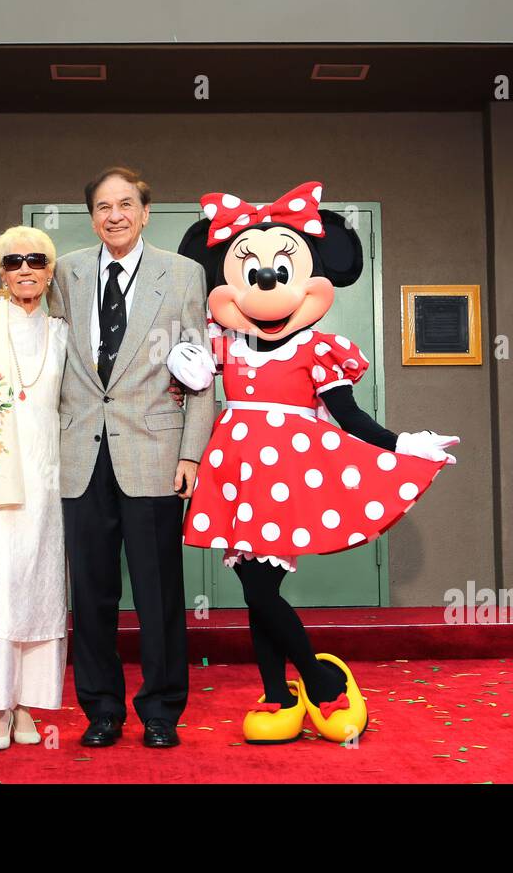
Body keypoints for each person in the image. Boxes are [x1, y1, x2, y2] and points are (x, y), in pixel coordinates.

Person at [168, 181, 458, 744]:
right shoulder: (220, 344)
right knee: (257, 591)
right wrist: (184, 379)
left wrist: (403, 445)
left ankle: (320, 682)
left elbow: (350, 417)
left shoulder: (318, 348)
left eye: (282, 267)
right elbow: (193, 398)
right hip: (238, 475)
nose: (266, 280)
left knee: (259, 593)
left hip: (288, 478)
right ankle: (279, 695)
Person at [48, 166, 214, 749]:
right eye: (102, 207)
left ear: (146, 213)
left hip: (154, 450)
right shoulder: (64, 273)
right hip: (80, 452)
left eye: (125, 205)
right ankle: (101, 710)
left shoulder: (184, 273)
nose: (114, 215)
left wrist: (192, 454)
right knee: (90, 593)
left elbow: (201, 372)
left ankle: (162, 710)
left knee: (158, 591)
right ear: (90, 216)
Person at [0, 226, 69, 751]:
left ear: (50, 270)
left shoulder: (66, 330)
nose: (25, 269)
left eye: (37, 260)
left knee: (40, 582)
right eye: (14, 261)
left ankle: (30, 704)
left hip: (49, 471)